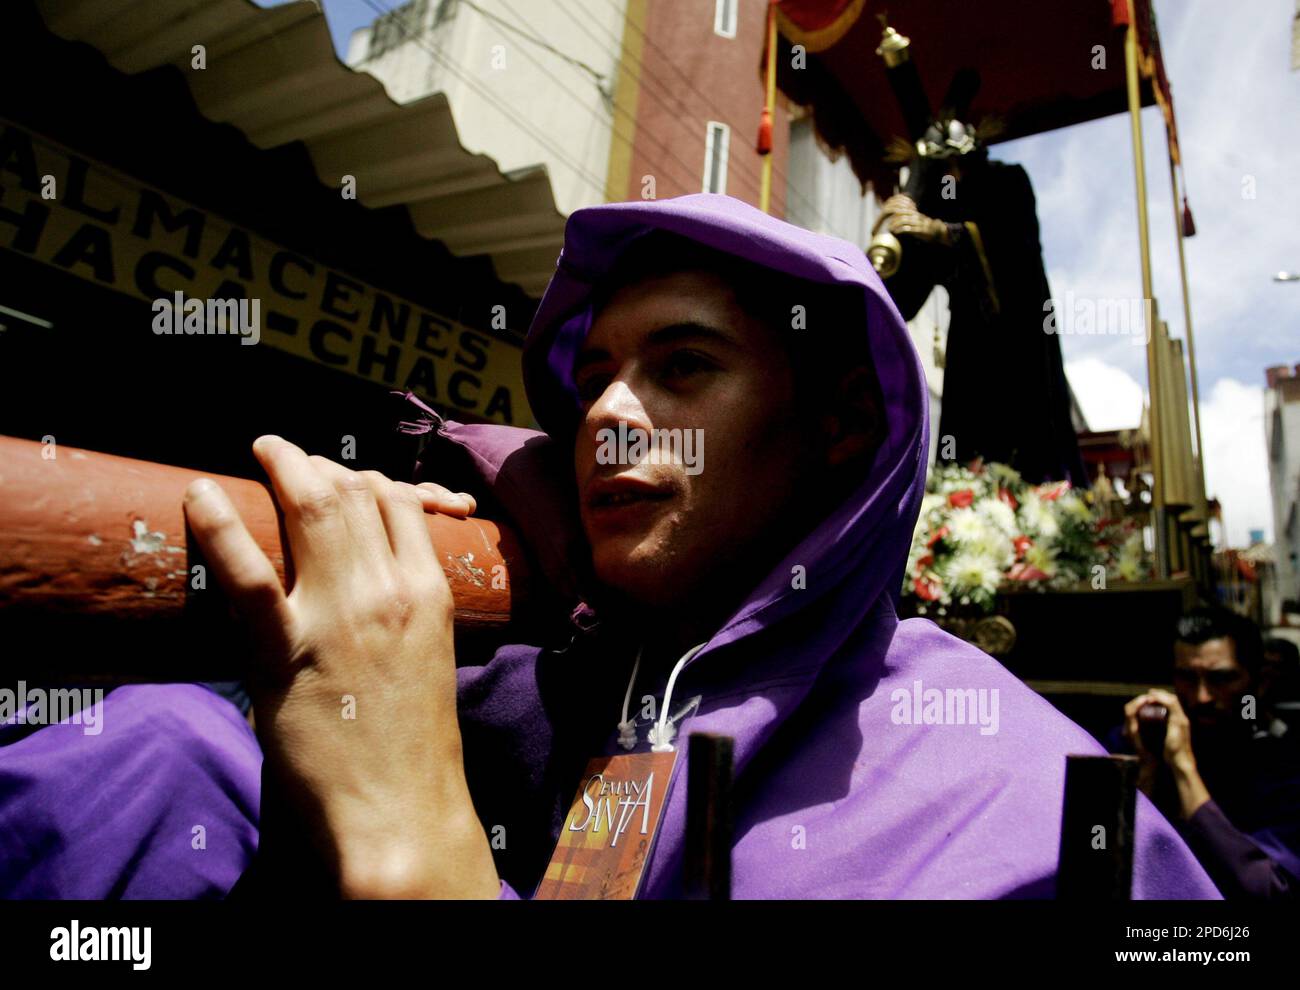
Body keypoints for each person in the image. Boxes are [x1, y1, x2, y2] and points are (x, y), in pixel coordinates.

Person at [1, 194, 1217, 899]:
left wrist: (416, 849)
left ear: (843, 422)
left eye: (682, 365)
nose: (608, 414)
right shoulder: (494, 684)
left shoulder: (1025, 810)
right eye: (591, 377)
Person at [873, 114, 1089, 487]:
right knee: (968, 455)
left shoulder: (1009, 181)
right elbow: (906, 297)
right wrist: (901, 231)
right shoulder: (942, 202)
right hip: (969, 349)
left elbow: (1017, 247)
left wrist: (943, 232)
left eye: (955, 165)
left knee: (1031, 447)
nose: (952, 176)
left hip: (1023, 336)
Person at [1116, 607, 1300, 899]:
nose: (1202, 697)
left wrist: (1184, 769)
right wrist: (1145, 772)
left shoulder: (1284, 764)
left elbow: (1268, 888)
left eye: (1221, 679)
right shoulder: (1144, 743)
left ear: (1258, 682)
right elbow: (1106, 864)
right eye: (1187, 678)